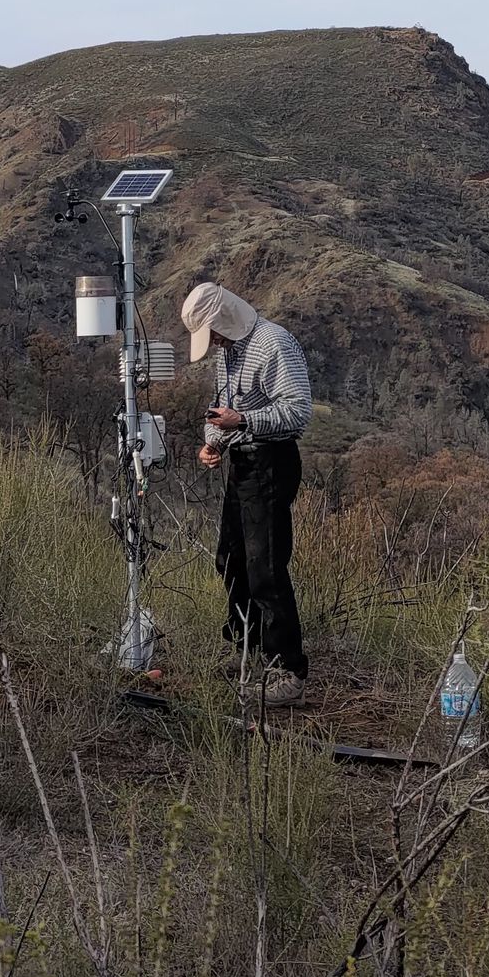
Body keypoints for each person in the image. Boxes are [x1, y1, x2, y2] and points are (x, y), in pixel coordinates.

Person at [181, 282, 313, 707]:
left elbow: (297, 410)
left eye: (212, 332)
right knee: (231, 559)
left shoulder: (274, 343)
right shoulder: (230, 352)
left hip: (271, 461)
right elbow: (220, 408)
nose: (213, 342)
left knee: (266, 569)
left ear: (222, 320)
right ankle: (245, 647)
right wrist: (213, 442)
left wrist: (243, 421)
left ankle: (287, 670)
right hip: (242, 462)